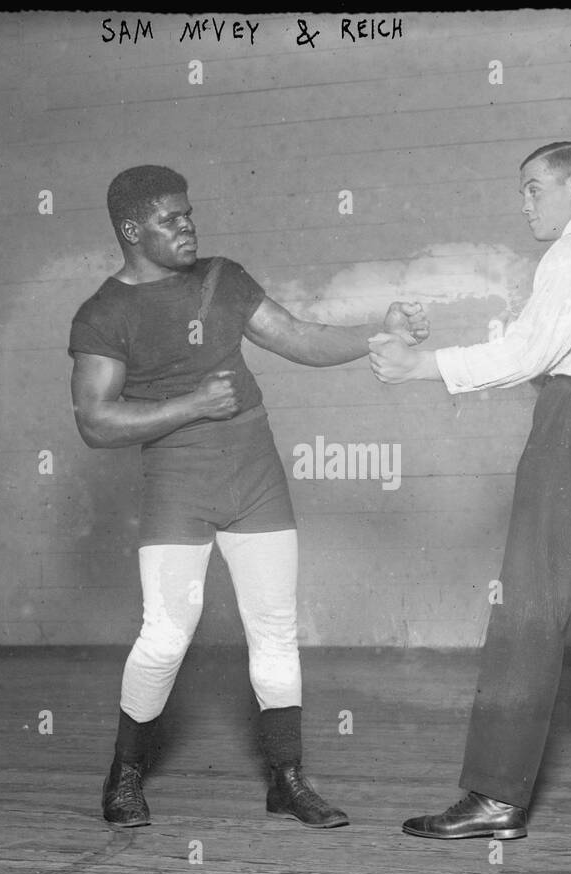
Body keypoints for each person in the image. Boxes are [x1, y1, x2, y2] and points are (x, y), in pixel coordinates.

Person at [69, 165, 428, 830]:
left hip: (254, 474)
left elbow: (302, 338)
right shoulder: (105, 312)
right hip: (179, 483)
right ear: (130, 230)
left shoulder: (221, 279)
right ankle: (123, 775)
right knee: (167, 634)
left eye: (188, 213)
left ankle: (287, 779)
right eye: (169, 218)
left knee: (274, 630)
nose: (187, 225)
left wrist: (380, 332)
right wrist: (192, 403)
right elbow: (94, 420)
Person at [368, 141, 571, 839]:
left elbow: (529, 353)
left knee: (527, 606)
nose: (524, 203)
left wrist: (419, 365)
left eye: (533, 188)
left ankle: (495, 796)